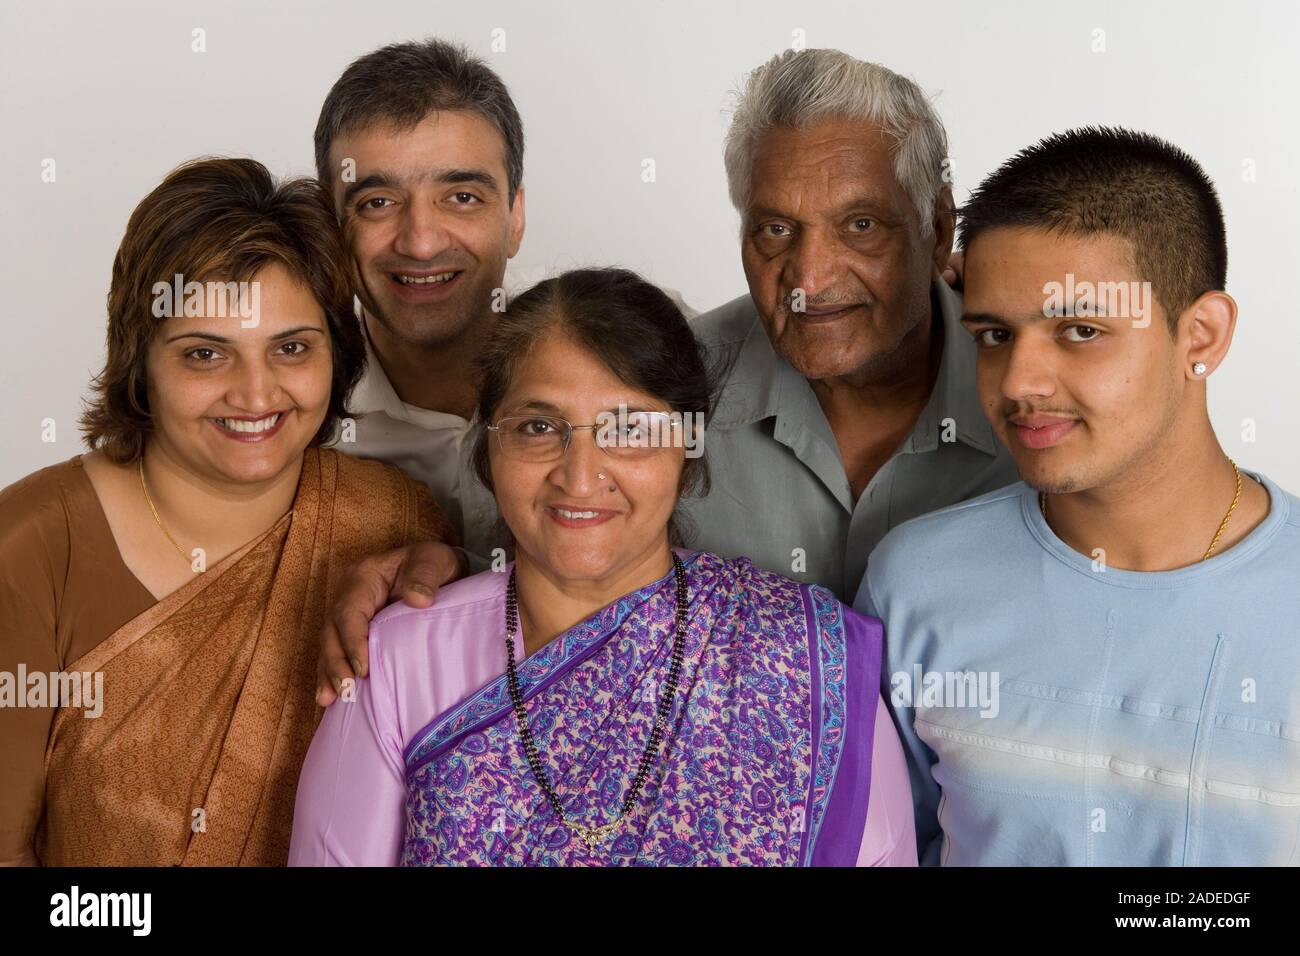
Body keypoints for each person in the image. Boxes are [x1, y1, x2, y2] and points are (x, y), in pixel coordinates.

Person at [313, 47, 1019, 706]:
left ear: (936, 229)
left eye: (861, 225)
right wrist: (448, 569)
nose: (809, 277)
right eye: (775, 230)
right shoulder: (666, 380)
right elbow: (538, 573)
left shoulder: (1037, 396)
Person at [289, 269, 915, 866]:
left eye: (631, 429)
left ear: (687, 450)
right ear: (489, 449)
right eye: (539, 426)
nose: (580, 475)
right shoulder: (398, 658)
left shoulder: (802, 660)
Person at [859, 127, 1300, 865]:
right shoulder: (917, 582)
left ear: (1201, 335)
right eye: (995, 334)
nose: (1019, 382)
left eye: (1080, 329)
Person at [0, 158, 454, 866]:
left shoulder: (392, 518)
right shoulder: (32, 545)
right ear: (140, 359)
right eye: (206, 353)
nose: (255, 393)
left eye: (291, 348)